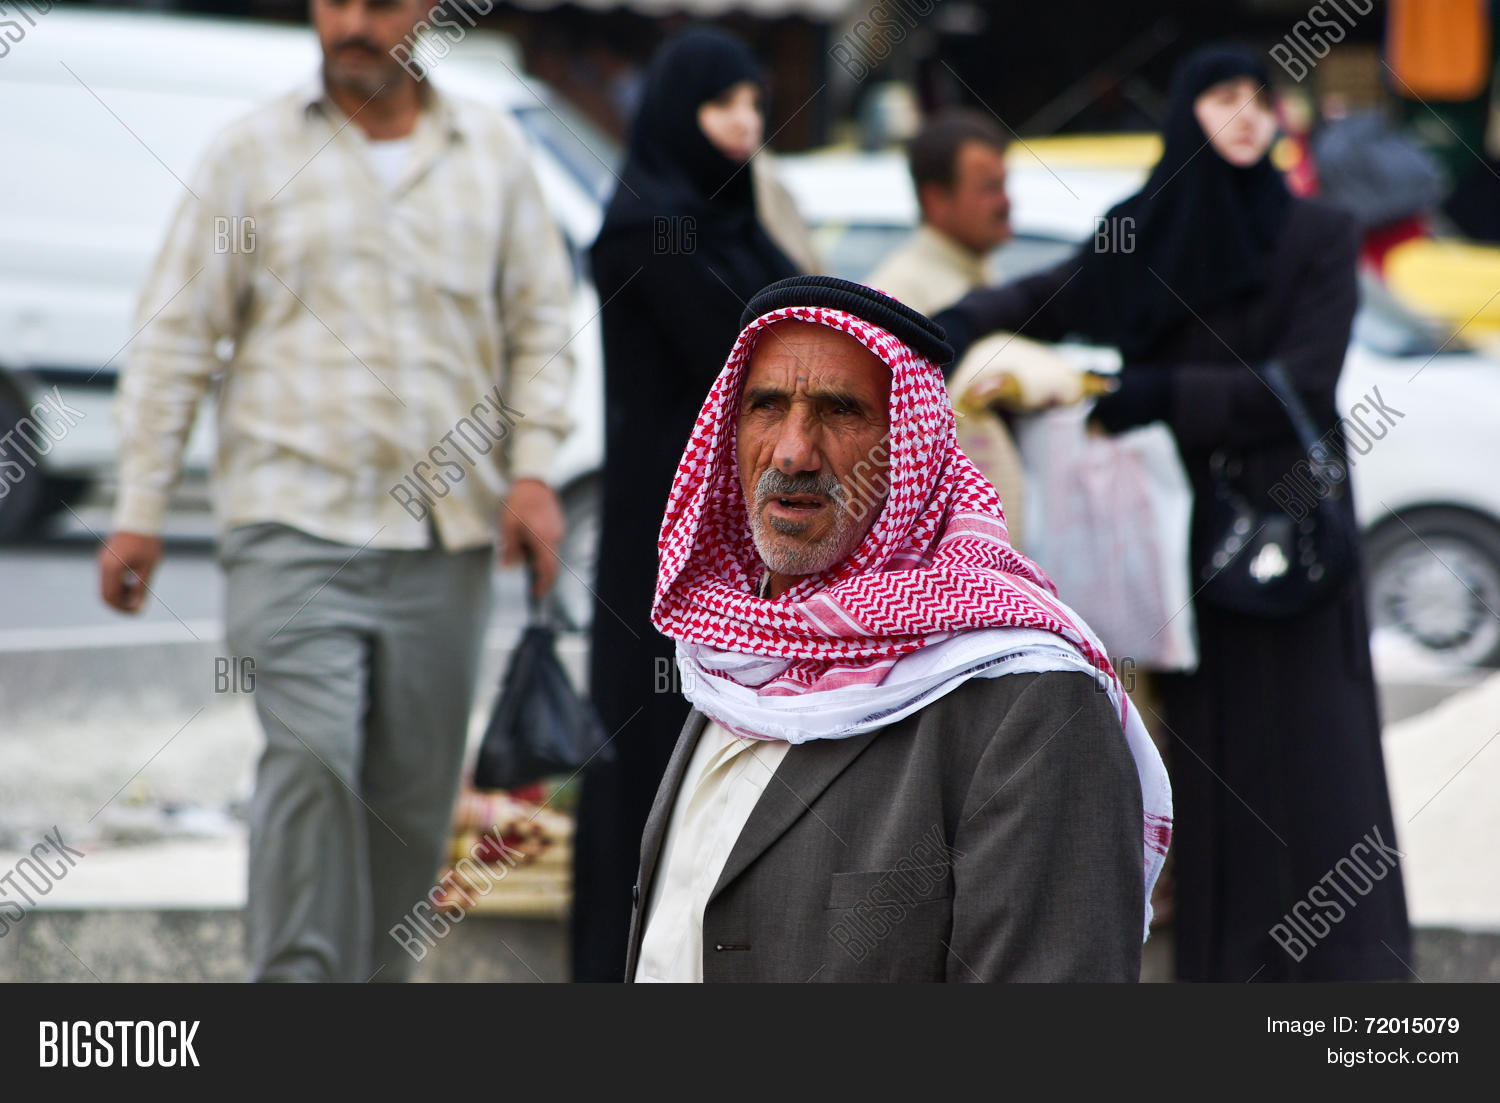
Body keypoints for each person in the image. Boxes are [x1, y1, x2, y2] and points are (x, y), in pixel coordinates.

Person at [98, 0, 575, 982]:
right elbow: (177, 338)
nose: (354, 21)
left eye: (382, 2)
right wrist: (139, 508)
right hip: (291, 521)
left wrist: (534, 470)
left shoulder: (488, 153)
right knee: (310, 760)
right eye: (335, 0)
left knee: (409, 800)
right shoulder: (248, 154)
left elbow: (541, 326)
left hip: (443, 537)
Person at [935, 45, 1412, 982]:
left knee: (1316, 760)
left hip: (1288, 534)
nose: (1244, 114)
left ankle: (1346, 981)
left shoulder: (1315, 234)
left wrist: (1158, 392)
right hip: (1182, 548)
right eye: (1221, 97)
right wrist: (933, 324)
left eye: (1258, 98)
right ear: (1187, 114)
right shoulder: (1147, 228)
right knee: (1215, 764)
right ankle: (1229, 973)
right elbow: (1049, 296)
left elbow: (1306, 384)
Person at [624, 275, 1172, 982]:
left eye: (839, 411)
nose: (793, 451)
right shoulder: (733, 661)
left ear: (910, 448)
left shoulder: (1032, 708)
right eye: (766, 406)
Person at [573, 26, 799, 982]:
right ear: (677, 114)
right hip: (664, 543)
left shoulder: (739, 221)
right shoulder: (644, 230)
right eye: (723, 107)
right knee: (651, 753)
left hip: (746, 538)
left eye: (753, 105)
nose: (744, 125)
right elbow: (743, 343)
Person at [869, 109, 1086, 552]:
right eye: (988, 189)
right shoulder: (901, 294)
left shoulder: (978, 274)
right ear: (935, 200)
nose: (1006, 202)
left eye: (1005, 185)